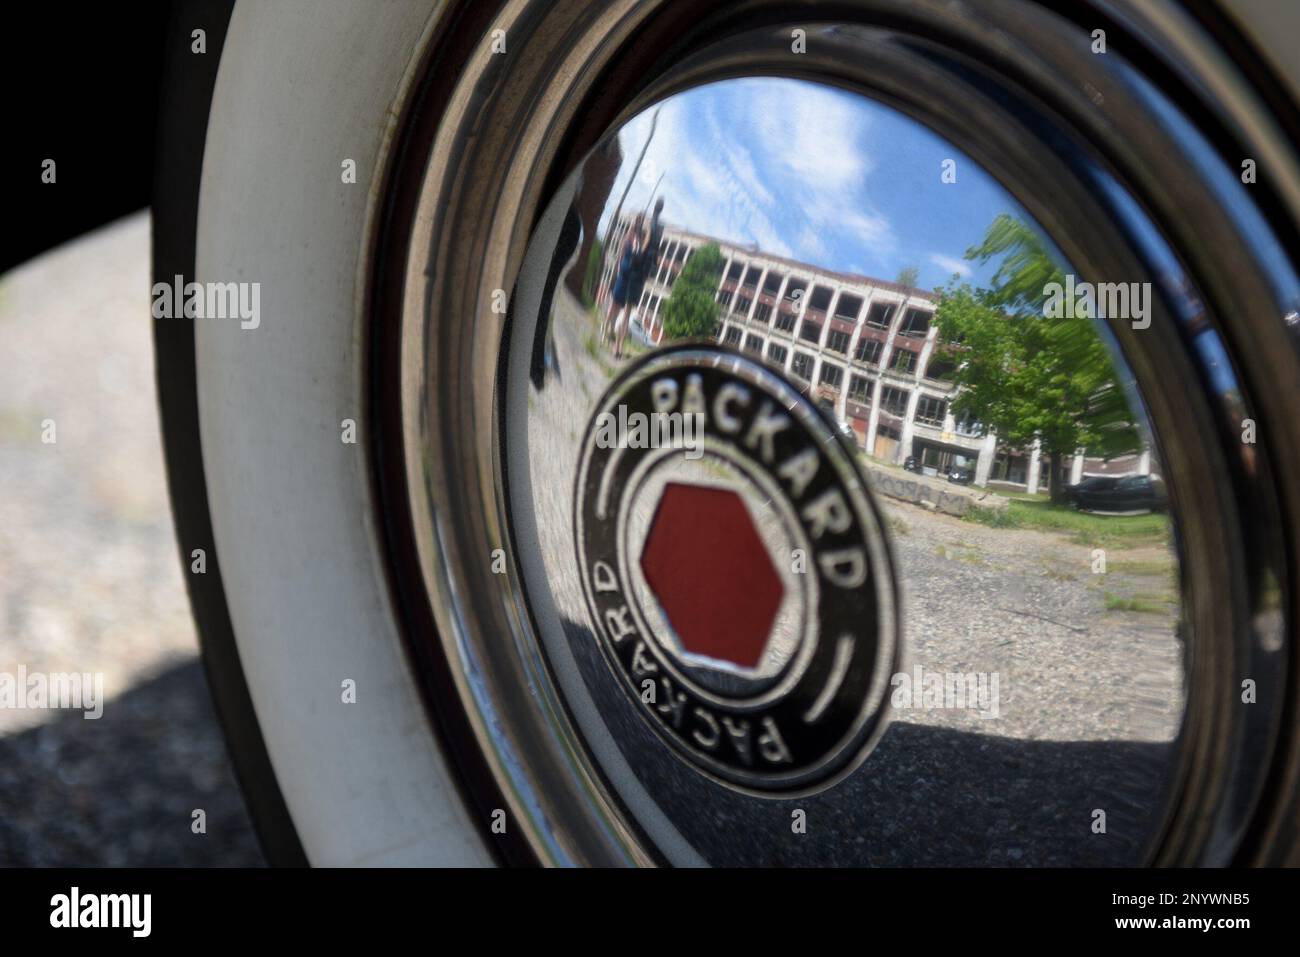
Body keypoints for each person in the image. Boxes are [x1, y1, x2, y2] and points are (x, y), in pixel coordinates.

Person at [604, 215, 646, 355]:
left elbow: (639, 258)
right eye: (637, 223)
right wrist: (618, 270)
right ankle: (605, 331)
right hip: (622, 276)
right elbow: (621, 255)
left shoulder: (639, 241)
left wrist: (637, 246)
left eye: (640, 224)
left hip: (630, 280)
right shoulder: (627, 238)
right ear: (634, 224)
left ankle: (610, 332)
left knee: (618, 308)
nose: (638, 226)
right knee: (613, 306)